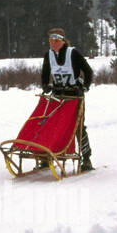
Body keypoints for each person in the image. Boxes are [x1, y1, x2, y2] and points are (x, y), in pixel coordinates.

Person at [40, 27, 95, 171]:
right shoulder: (49, 55)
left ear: (63, 41)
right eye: (51, 40)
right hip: (58, 96)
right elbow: (45, 73)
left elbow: (88, 71)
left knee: (78, 127)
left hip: (74, 95)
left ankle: (86, 159)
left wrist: (86, 86)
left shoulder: (73, 53)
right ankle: (46, 156)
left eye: (56, 40)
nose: (53, 43)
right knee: (50, 124)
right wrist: (46, 86)